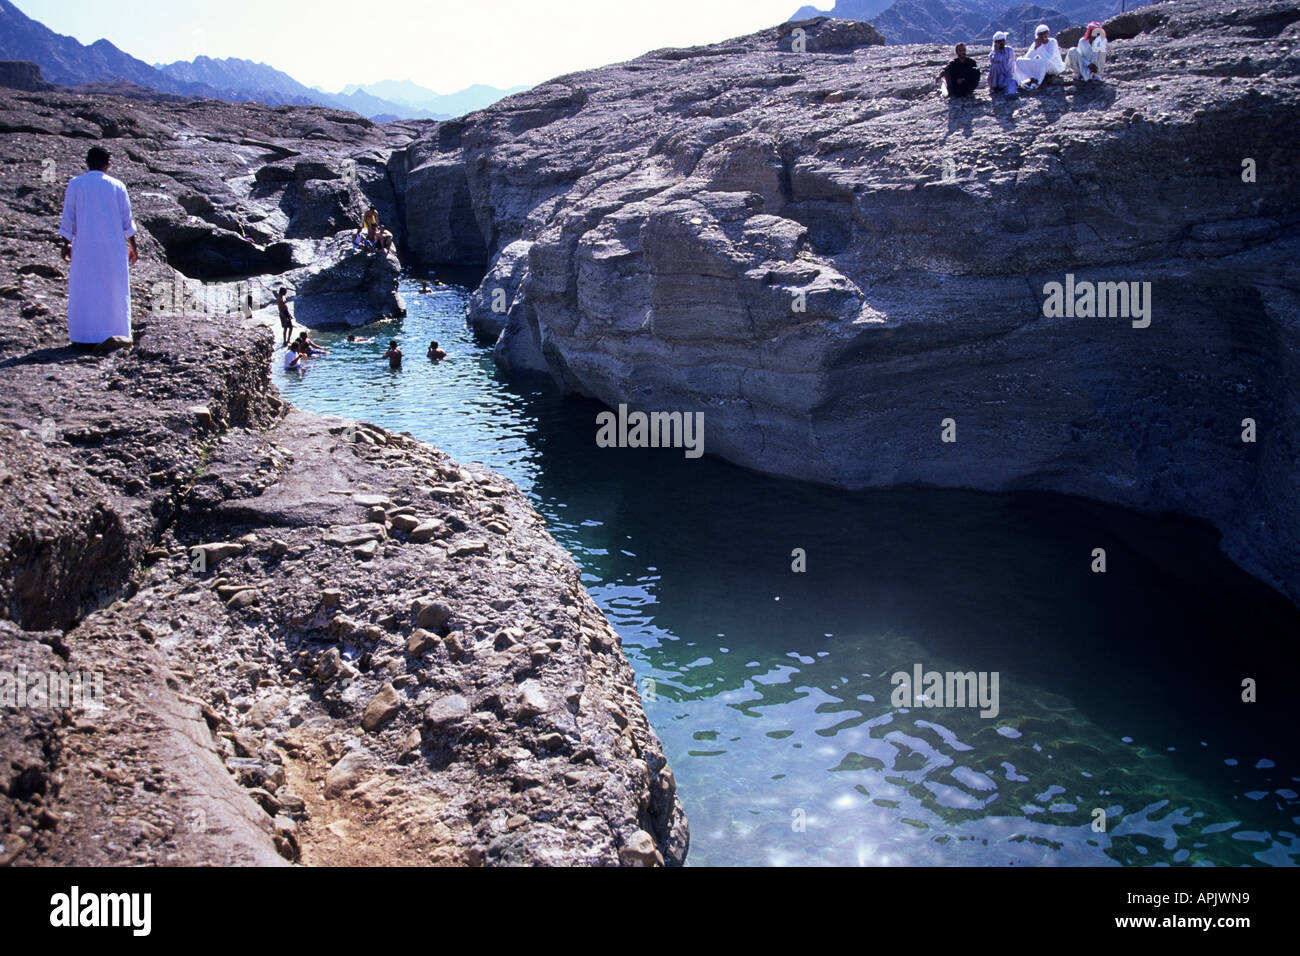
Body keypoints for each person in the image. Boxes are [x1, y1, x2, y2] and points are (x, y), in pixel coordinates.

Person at [58, 146, 138, 348]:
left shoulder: (76, 184)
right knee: (113, 288)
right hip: (113, 247)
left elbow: (69, 216)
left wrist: (66, 242)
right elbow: (126, 220)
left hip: (84, 246)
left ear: (88, 162)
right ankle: (116, 332)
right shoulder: (117, 186)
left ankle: (83, 334)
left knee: (85, 287)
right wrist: (133, 245)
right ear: (107, 164)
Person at [1016, 25, 1064, 90]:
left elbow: (1049, 58)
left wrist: (1040, 47)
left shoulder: (1052, 42)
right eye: (1040, 34)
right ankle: (1032, 78)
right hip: (1043, 65)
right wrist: (1035, 48)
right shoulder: (1035, 44)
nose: (1043, 35)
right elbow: (1027, 58)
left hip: (1054, 66)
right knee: (1019, 60)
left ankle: (1037, 83)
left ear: (1048, 33)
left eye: (1045, 33)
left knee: (1044, 61)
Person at [988, 32, 1018, 98]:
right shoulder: (993, 54)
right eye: (999, 42)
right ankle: (995, 87)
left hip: (1007, 77)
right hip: (995, 80)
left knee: (1011, 85)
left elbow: (1010, 66)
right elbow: (996, 60)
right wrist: (997, 51)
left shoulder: (1009, 50)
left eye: (1002, 41)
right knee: (995, 65)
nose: (1001, 43)